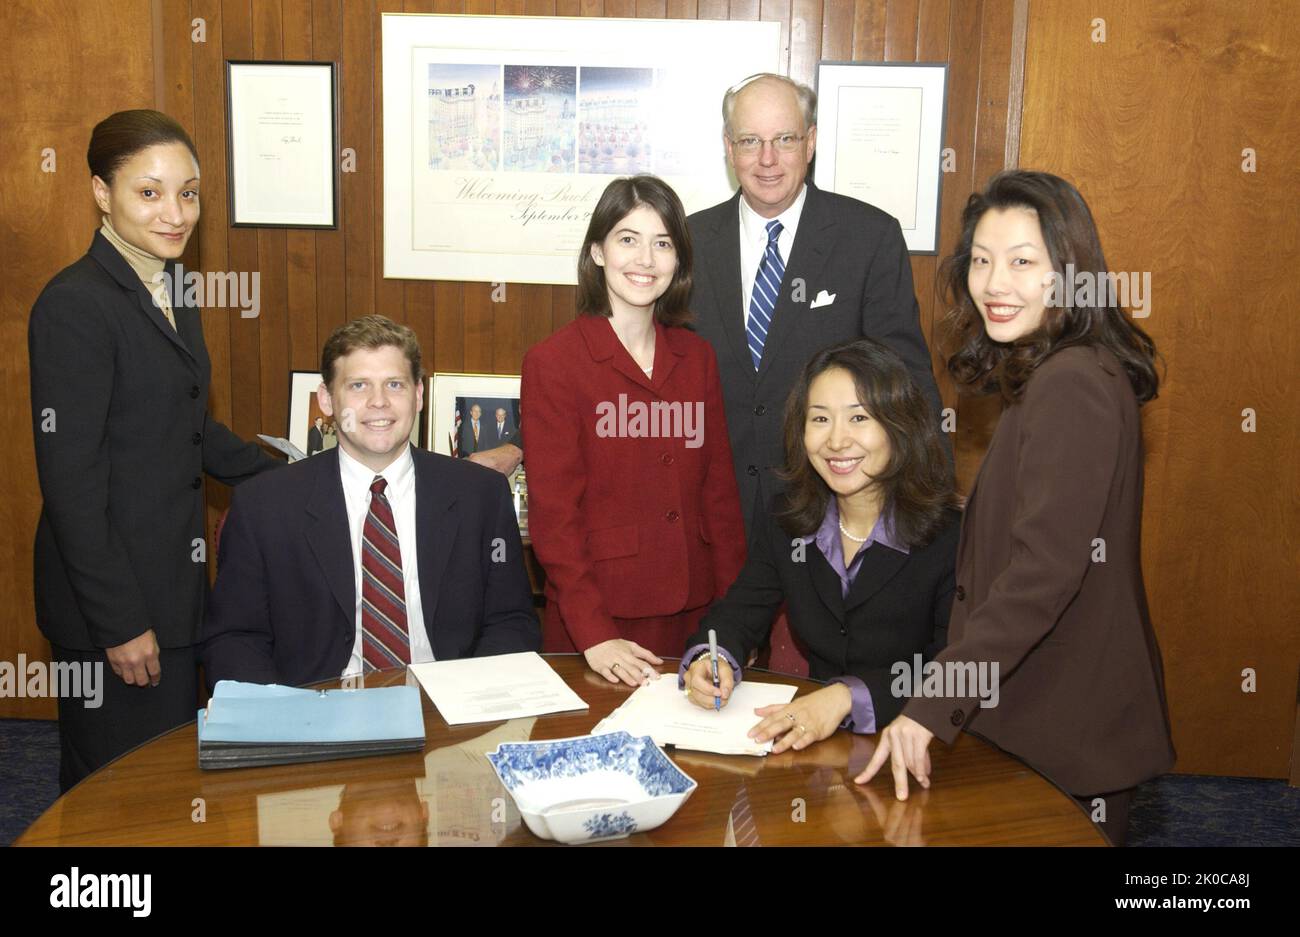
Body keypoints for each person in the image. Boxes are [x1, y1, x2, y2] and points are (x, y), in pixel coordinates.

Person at [857, 170, 1175, 846]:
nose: (995, 283)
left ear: (1070, 272)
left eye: (1023, 261)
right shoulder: (1064, 368)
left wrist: (933, 703)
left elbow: (1042, 576)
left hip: (1064, 719)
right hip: (1048, 708)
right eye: (981, 259)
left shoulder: (1072, 385)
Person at [28, 109, 281, 791]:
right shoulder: (76, 304)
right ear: (101, 193)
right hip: (114, 607)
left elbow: (192, 431)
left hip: (171, 589)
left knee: (165, 782)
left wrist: (301, 474)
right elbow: (71, 482)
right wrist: (120, 623)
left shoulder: (172, 286)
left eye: (189, 192)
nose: (176, 213)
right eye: (150, 192)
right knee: (114, 791)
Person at [201, 316, 540, 688]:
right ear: (327, 400)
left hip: (447, 709)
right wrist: (285, 721)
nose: (379, 402)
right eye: (359, 385)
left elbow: (511, 623)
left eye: (394, 384)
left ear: (419, 395)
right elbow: (235, 640)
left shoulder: (480, 495)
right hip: (318, 715)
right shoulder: (265, 504)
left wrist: (472, 700)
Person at [687, 73, 945, 535]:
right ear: (729, 148)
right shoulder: (687, 241)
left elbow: (909, 383)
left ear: (810, 142)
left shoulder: (868, 238)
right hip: (709, 517)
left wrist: (934, 514)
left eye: (784, 139)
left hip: (831, 515)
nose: (767, 159)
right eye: (750, 141)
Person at [681, 339, 960, 753]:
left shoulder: (949, 534)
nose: (836, 441)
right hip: (816, 753)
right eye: (820, 419)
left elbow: (955, 667)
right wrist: (711, 657)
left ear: (900, 426)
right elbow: (741, 612)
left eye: (859, 417)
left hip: (917, 748)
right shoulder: (787, 520)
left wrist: (847, 696)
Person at [522, 175, 747, 685]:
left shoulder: (697, 357)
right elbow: (555, 518)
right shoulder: (554, 363)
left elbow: (721, 498)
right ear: (598, 251)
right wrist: (595, 633)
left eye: (662, 243)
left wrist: (736, 622)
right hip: (601, 621)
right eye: (628, 239)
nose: (645, 259)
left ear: (679, 260)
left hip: (696, 614)